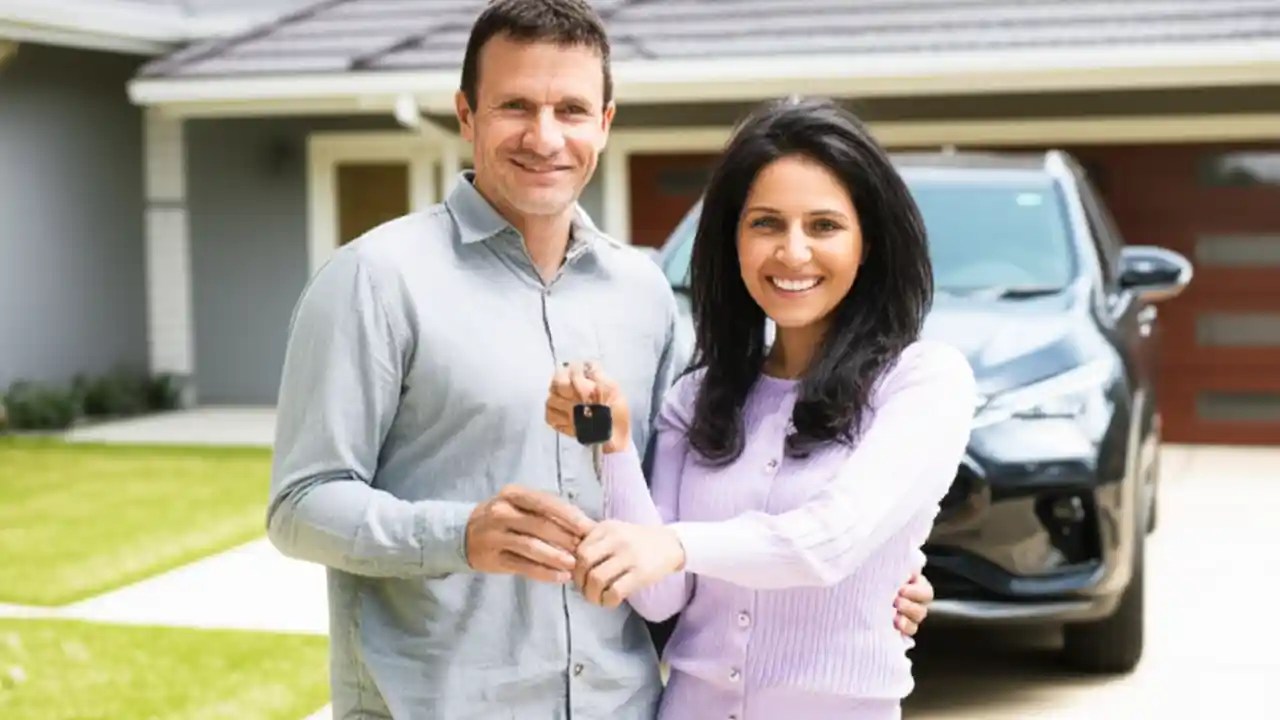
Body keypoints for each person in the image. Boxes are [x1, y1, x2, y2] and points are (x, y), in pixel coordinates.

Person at [266, 2, 933, 718]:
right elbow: (301, 505)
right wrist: (459, 536)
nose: (545, 136)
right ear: (466, 115)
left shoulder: (643, 294)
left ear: (605, 123)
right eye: (515, 106)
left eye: (572, 110)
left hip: (621, 704)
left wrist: (867, 581)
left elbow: (673, 514)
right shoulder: (375, 280)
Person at [544, 97, 976, 720]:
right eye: (767, 223)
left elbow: (828, 542)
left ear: (868, 243)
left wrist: (676, 544)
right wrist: (611, 444)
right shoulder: (698, 397)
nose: (793, 252)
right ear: (734, 241)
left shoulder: (922, 382)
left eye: (824, 226)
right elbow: (661, 595)